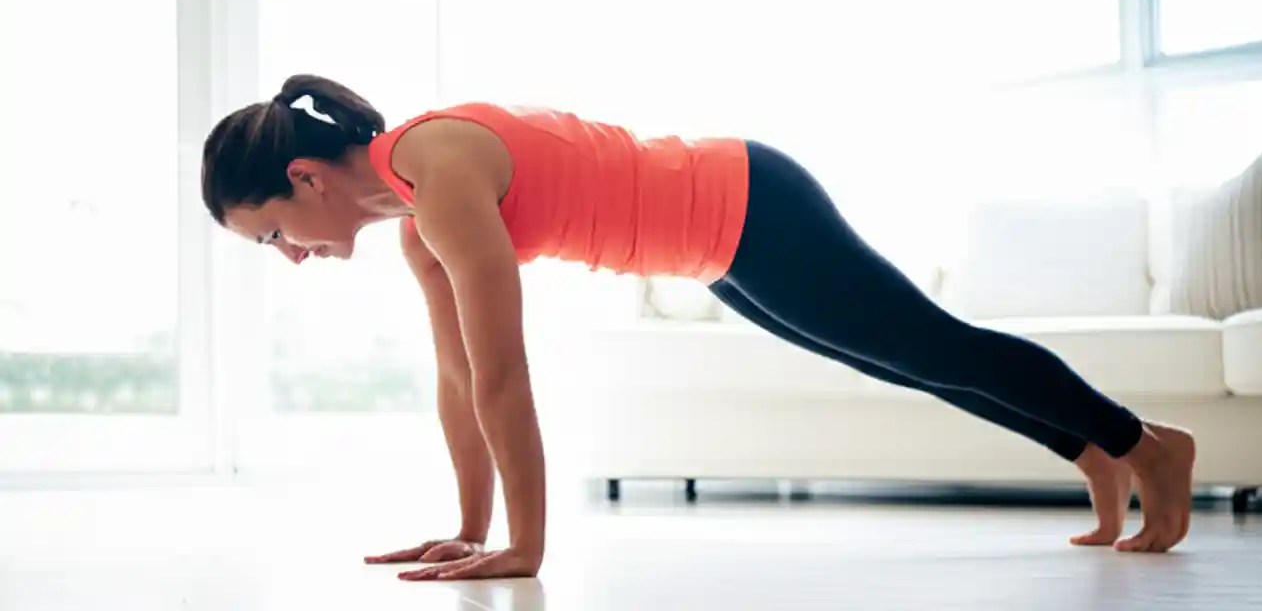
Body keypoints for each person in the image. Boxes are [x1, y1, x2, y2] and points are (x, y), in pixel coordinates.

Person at [201, 74, 1197, 580]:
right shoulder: (420, 222)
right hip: (715, 251)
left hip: (748, 202)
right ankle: (1095, 448)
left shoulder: (439, 170)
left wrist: (525, 549)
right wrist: (470, 530)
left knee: (924, 341)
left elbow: (505, 377)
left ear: (303, 178)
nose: (289, 254)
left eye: (273, 234)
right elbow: (458, 382)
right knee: (907, 357)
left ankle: (1143, 444)